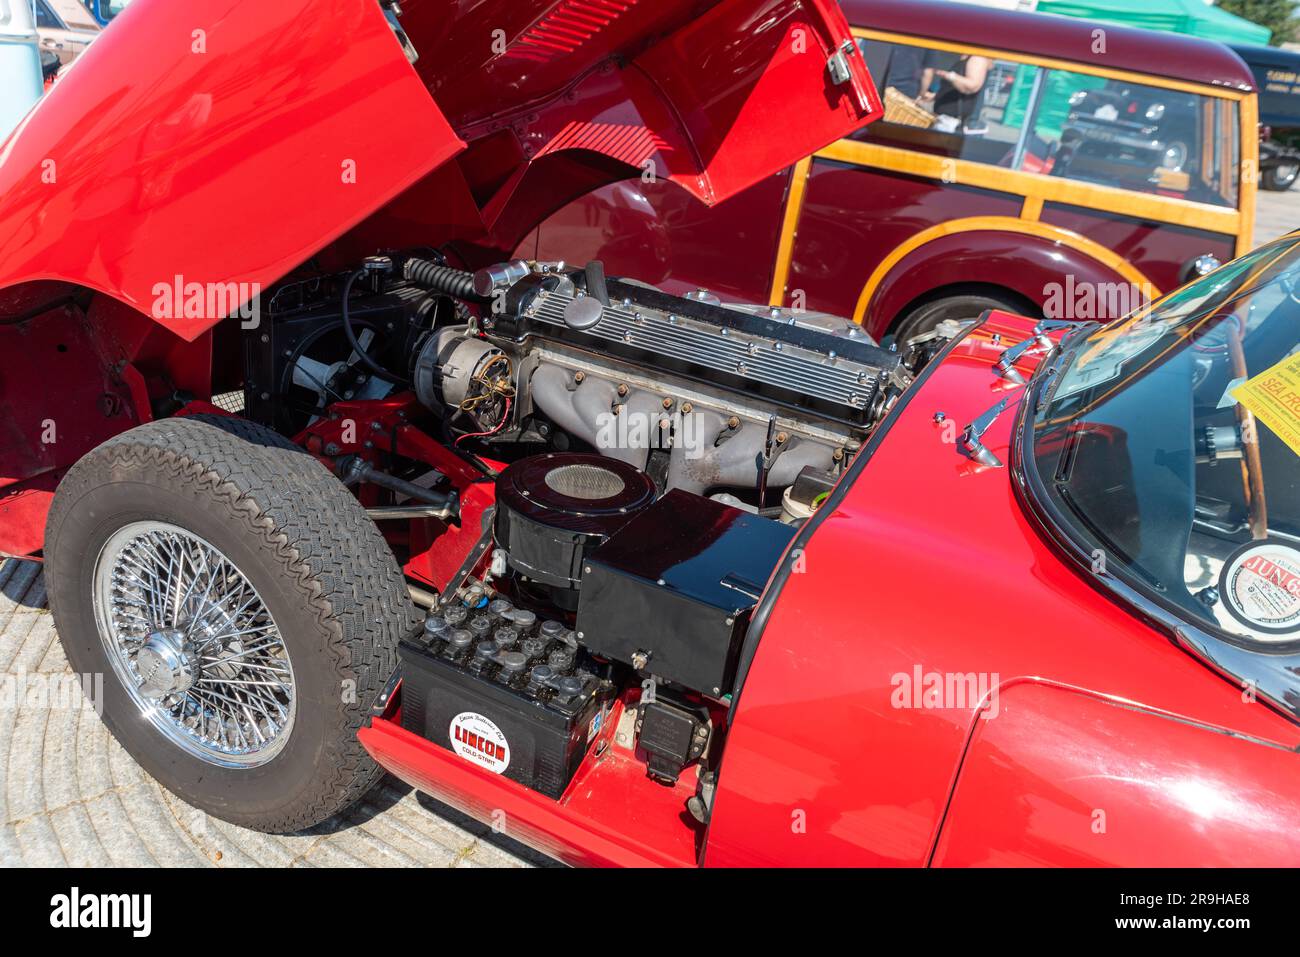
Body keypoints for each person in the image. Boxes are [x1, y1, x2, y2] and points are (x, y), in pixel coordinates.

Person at [921, 54, 991, 135]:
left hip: (953, 123)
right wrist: (936, 96)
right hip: (946, 120)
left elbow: (972, 86)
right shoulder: (964, 57)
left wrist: (950, 76)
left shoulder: (977, 58)